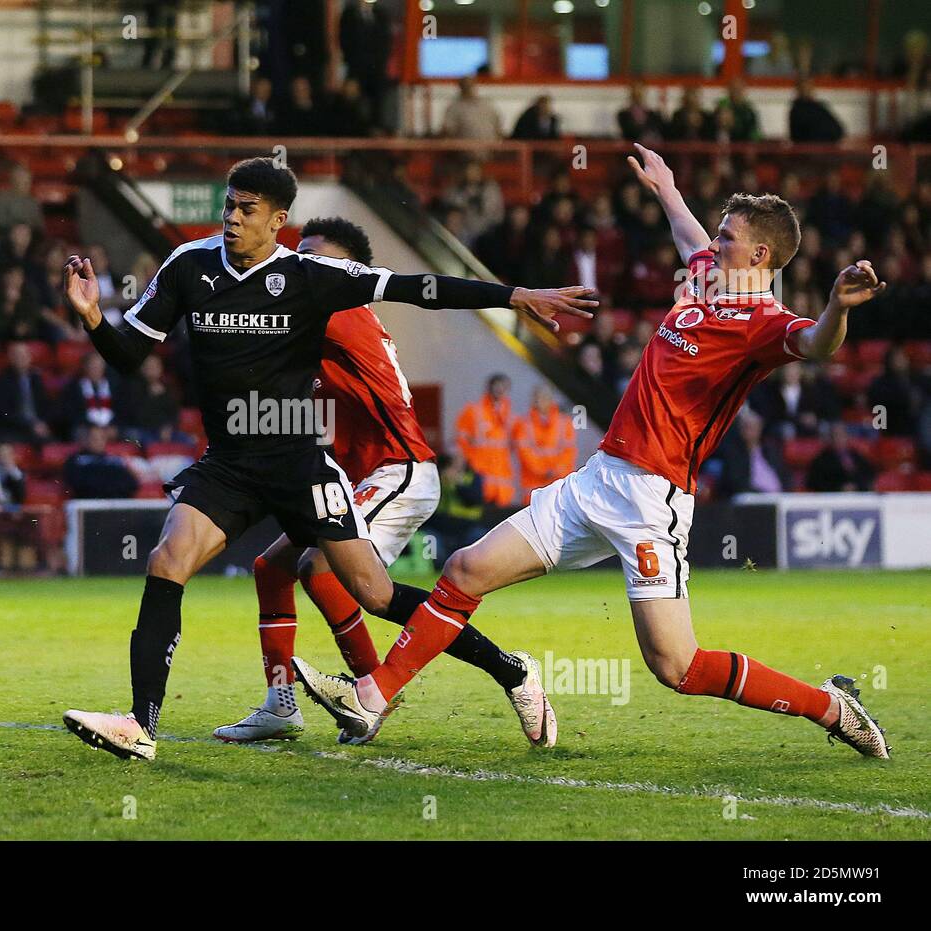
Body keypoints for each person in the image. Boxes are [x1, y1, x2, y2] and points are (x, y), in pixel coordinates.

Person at [294, 143, 892, 761]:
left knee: (677, 667)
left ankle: (832, 708)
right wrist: (664, 186)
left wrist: (836, 309)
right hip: (597, 479)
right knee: (465, 570)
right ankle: (372, 699)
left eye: (727, 236)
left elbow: (817, 345)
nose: (712, 244)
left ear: (760, 255)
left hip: (651, 503)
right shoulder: (709, 277)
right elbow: (688, 232)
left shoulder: (766, 324)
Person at [59, 156, 595, 760]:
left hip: (299, 463)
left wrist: (514, 295)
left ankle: (504, 671)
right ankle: (142, 723)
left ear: (278, 221)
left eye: (246, 210)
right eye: (228, 205)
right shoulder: (190, 266)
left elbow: (421, 288)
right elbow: (129, 354)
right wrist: (93, 319)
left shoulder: (312, 278)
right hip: (230, 462)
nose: (231, 219)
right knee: (167, 560)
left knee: (372, 592)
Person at [214, 218, 548, 746]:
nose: (304, 269)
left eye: (317, 260)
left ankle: (494, 674)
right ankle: (283, 706)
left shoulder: (340, 312)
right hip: (349, 476)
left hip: (398, 470)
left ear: (349, 273)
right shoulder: (322, 318)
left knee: (331, 575)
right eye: (301, 257)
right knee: (272, 567)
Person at [455, 373, 517, 506]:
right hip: (480, 476)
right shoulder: (473, 411)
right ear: (489, 387)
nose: (500, 390)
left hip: (502, 483)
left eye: (504, 387)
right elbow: (462, 441)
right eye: (497, 386)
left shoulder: (512, 417)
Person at [512, 384, 576, 503]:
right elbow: (524, 453)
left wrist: (555, 470)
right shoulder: (523, 424)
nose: (538, 401)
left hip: (558, 482)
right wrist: (543, 470)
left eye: (542, 397)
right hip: (533, 484)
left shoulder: (564, 423)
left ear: (550, 400)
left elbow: (569, 452)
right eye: (536, 398)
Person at [0, 342, 54, 442]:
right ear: (10, 358)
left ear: (30, 357)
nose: (21, 358)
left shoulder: (36, 378)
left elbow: (45, 405)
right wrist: (29, 424)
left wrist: (43, 423)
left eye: (24, 355)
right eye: (17, 355)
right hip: (14, 428)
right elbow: (3, 412)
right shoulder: (0, 380)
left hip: (38, 427)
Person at [65, 424, 138, 499]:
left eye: (102, 438)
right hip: (87, 502)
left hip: (115, 501)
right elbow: (77, 483)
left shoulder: (114, 460)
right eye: (94, 438)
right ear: (85, 439)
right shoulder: (76, 460)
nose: (98, 441)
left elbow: (131, 484)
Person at [806, 423, 876, 492]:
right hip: (833, 498)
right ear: (830, 438)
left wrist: (857, 487)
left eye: (843, 435)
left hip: (858, 496)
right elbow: (815, 483)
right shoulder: (821, 460)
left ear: (847, 437)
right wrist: (840, 488)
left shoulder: (857, 456)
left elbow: (869, 476)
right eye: (836, 435)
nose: (840, 438)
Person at [440, 75, 502, 141]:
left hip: (484, 149)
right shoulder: (488, 104)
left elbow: (447, 132)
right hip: (487, 149)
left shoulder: (487, 105)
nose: (468, 88)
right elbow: (499, 131)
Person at [0, 163, 45, 236]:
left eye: (28, 181)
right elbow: (0, 221)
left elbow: (39, 225)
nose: (28, 184)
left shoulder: (33, 201)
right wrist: (20, 228)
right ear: (14, 181)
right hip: (9, 236)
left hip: (31, 237)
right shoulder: (3, 198)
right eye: (23, 181)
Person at [790, 79, 844, 143]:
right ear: (798, 90)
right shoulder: (797, 110)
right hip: (810, 149)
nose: (807, 90)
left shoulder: (819, 107)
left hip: (827, 148)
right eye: (804, 88)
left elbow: (838, 129)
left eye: (809, 87)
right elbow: (797, 137)